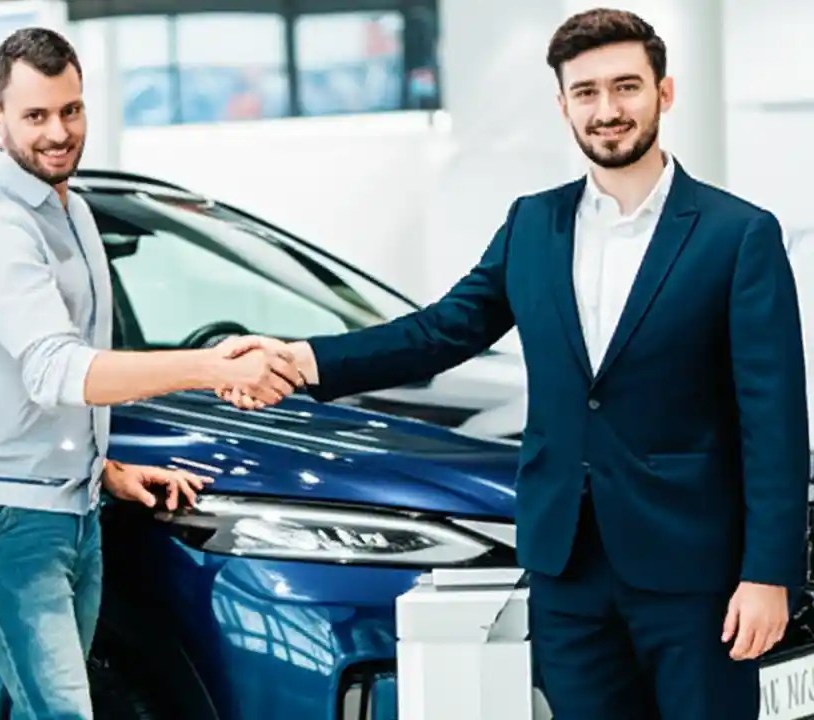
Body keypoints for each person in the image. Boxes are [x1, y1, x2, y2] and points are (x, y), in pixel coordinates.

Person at [223, 8, 808, 720]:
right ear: (563, 105)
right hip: (568, 571)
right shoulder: (534, 223)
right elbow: (439, 332)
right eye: (586, 92)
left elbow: (773, 420)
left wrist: (769, 574)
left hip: (693, 576)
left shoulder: (736, 234)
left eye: (626, 87)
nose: (607, 110)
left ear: (665, 92)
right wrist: (304, 358)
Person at [0, 27, 301, 720]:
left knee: (25, 709)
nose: (58, 132)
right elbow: (54, 370)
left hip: (74, 507)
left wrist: (106, 466)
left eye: (71, 111)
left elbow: (29, 388)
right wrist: (208, 366)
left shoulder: (70, 211)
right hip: (14, 518)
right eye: (36, 115)